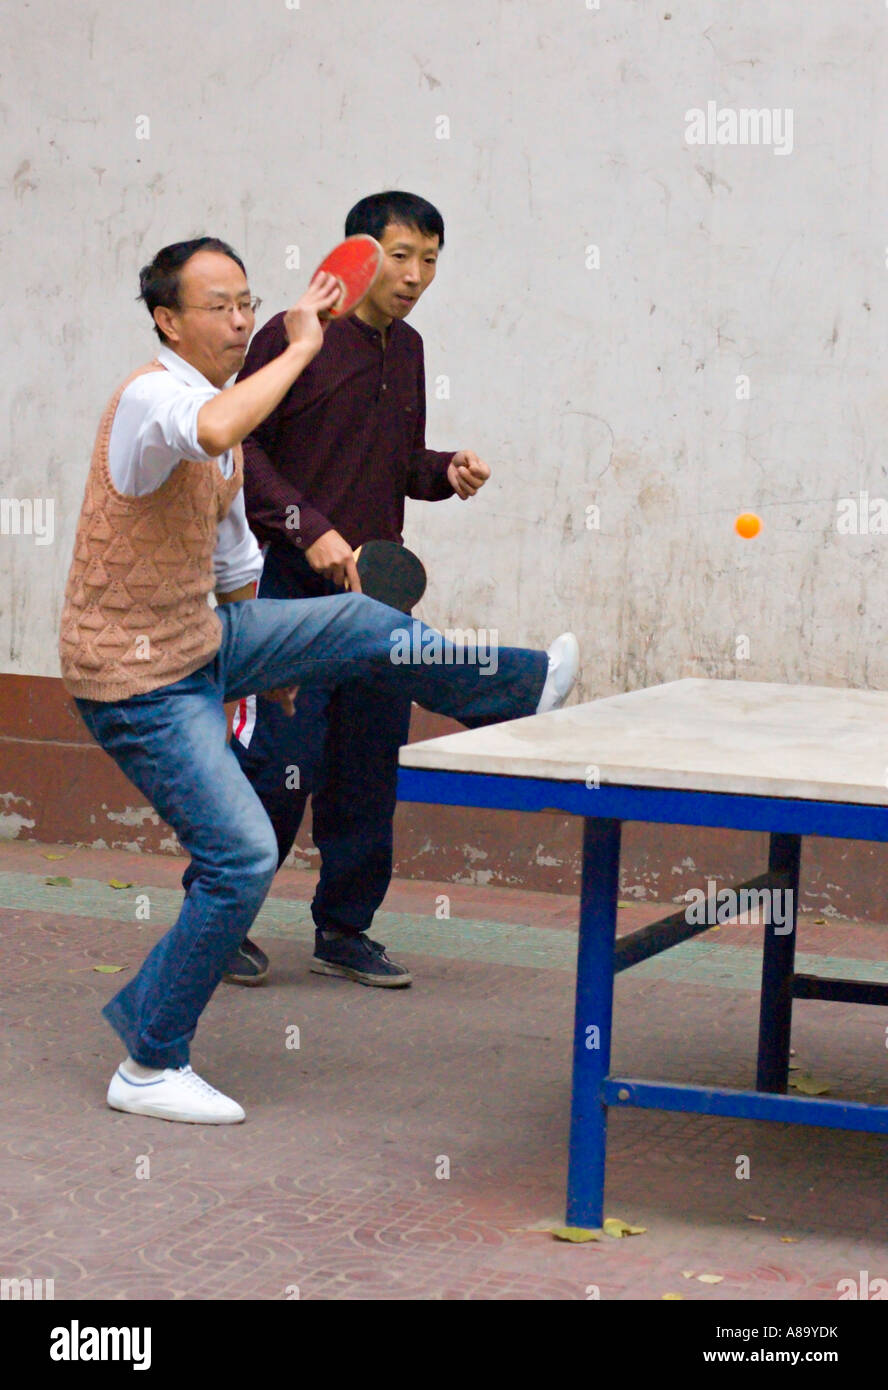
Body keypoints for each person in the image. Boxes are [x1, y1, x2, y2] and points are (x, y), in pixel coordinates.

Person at [58, 236, 579, 1125]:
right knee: (243, 857)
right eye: (217, 305)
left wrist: (278, 661)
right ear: (166, 319)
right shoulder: (156, 397)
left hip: (206, 640)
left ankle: (518, 690)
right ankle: (149, 1064)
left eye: (246, 302)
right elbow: (220, 428)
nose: (237, 320)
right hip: (132, 675)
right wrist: (302, 343)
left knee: (363, 624)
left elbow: (234, 572)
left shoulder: (220, 435)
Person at [227, 191, 561, 991]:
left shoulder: (406, 349)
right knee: (281, 766)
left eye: (432, 259)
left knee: (368, 766)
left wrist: (445, 471)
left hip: (375, 597)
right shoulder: (293, 334)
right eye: (402, 255)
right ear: (358, 253)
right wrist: (309, 528)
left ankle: (344, 930)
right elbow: (241, 448)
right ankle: (224, 923)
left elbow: (398, 461)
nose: (416, 275)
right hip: (288, 589)